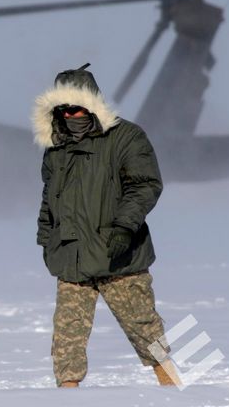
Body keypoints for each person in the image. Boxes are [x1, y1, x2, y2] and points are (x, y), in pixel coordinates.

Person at [32, 64, 179, 387]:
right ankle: (67, 395)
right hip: (71, 258)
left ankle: (173, 389)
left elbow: (145, 185)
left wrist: (124, 228)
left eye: (77, 107)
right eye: (64, 109)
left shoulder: (126, 137)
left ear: (92, 103)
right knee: (66, 343)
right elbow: (49, 199)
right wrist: (46, 240)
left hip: (119, 255)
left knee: (146, 330)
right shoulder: (56, 149)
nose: (71, 115)